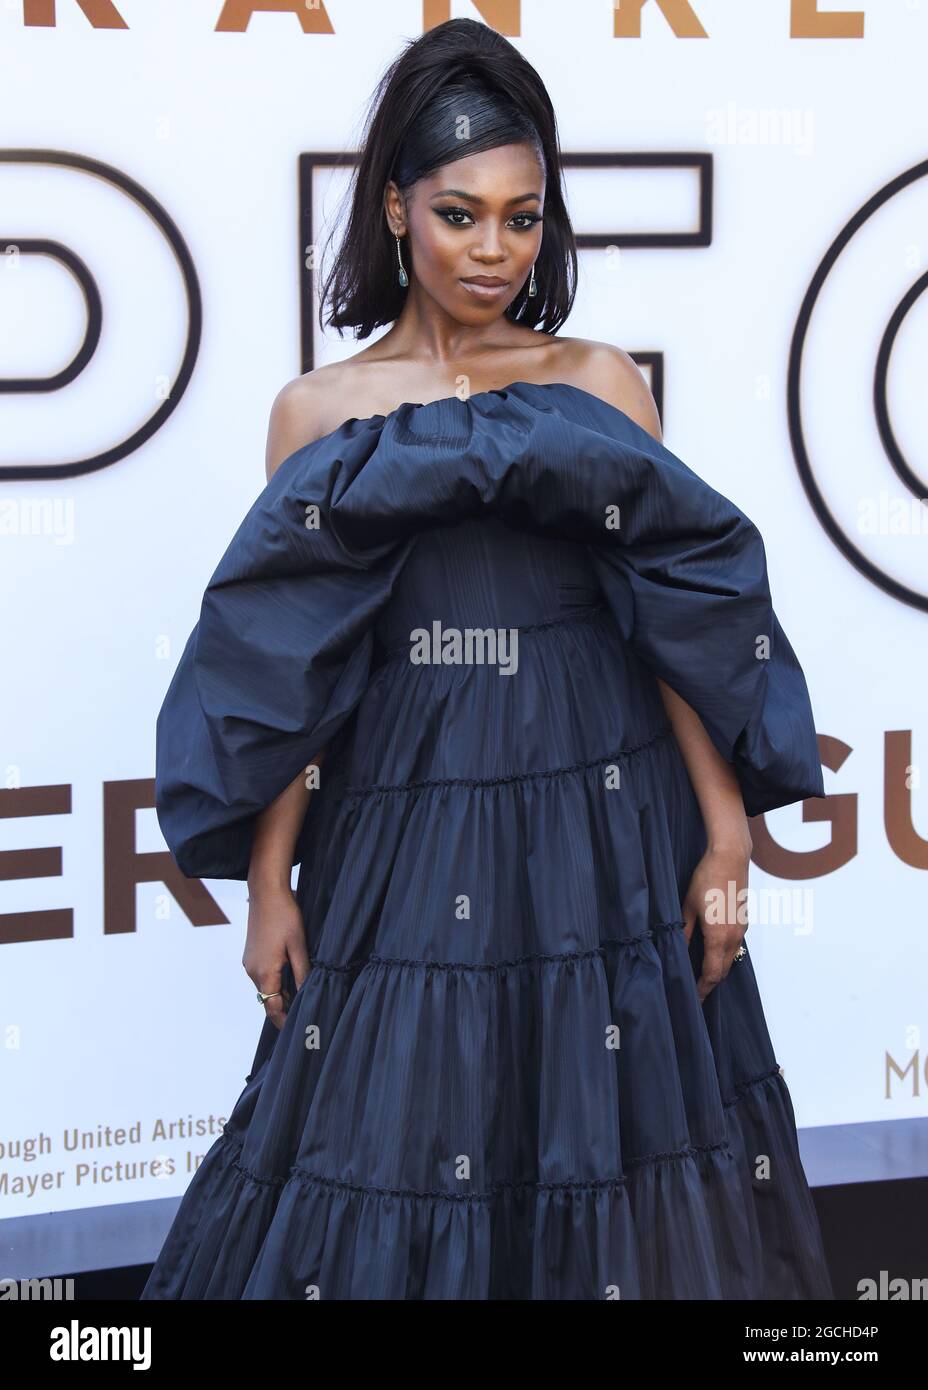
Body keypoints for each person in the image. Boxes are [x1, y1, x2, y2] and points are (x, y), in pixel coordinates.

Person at [141, 17, 834, 1300]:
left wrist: (727, 836)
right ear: (396, 209)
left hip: (604, 818)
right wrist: (272, 882)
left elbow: (672, 619)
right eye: (460, 214)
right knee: (389, 1133)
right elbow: (302, 668)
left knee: (610, 1135)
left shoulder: (601, 384)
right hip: (405, 828)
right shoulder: (318, 412)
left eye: (523, 219)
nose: (494, 252)